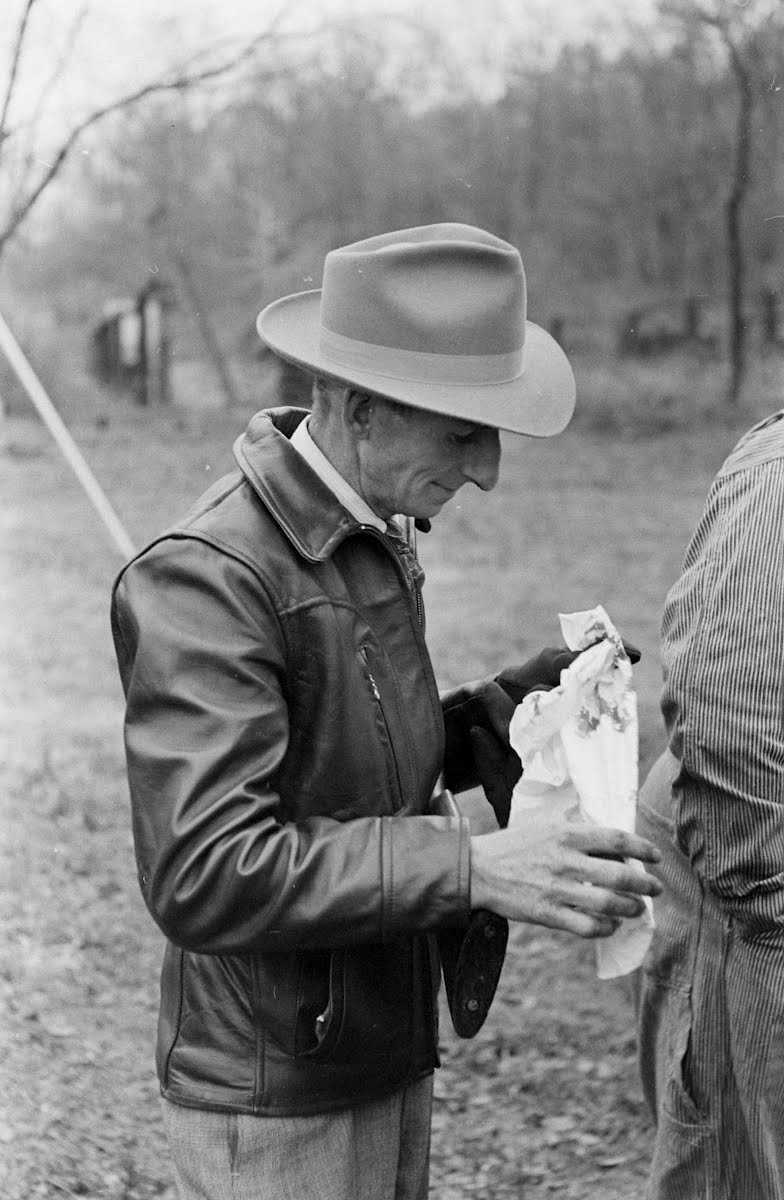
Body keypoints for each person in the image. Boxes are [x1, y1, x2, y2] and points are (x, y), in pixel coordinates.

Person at [111, 222, 662, 1200]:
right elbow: (204, 873)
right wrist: (474, 866)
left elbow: (332, 759)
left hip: (376, 1046)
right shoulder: (208, 577)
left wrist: (497, 711)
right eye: (462, 432)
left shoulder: (371, 527)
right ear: (362, 411)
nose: (487, 468)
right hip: (277, 1095)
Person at [636, 409, 784, 1199]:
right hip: (752, 880)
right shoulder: (782, 481)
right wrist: (771, 910)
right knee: (735, 1169)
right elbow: (727, 712)